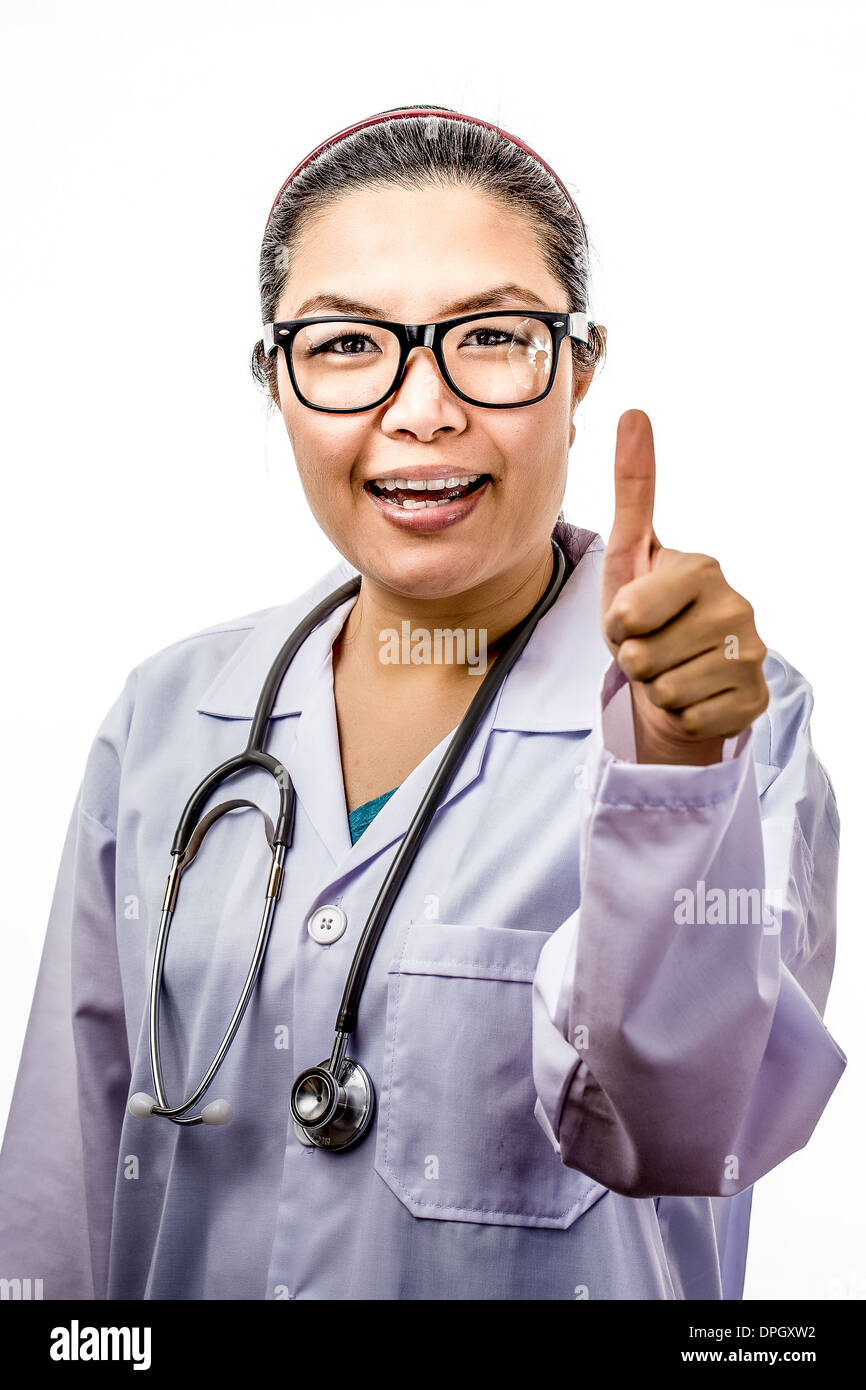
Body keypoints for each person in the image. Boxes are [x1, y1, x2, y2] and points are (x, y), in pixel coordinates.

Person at [0, 105, 845, 1302]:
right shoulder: (168, 718)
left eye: (491, 336)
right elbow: (60, 1180)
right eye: (345, 345)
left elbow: (675, 1133)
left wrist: (668, 775)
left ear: (580, 367)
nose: (420, 408)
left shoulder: (723, 719)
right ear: (273, 379)